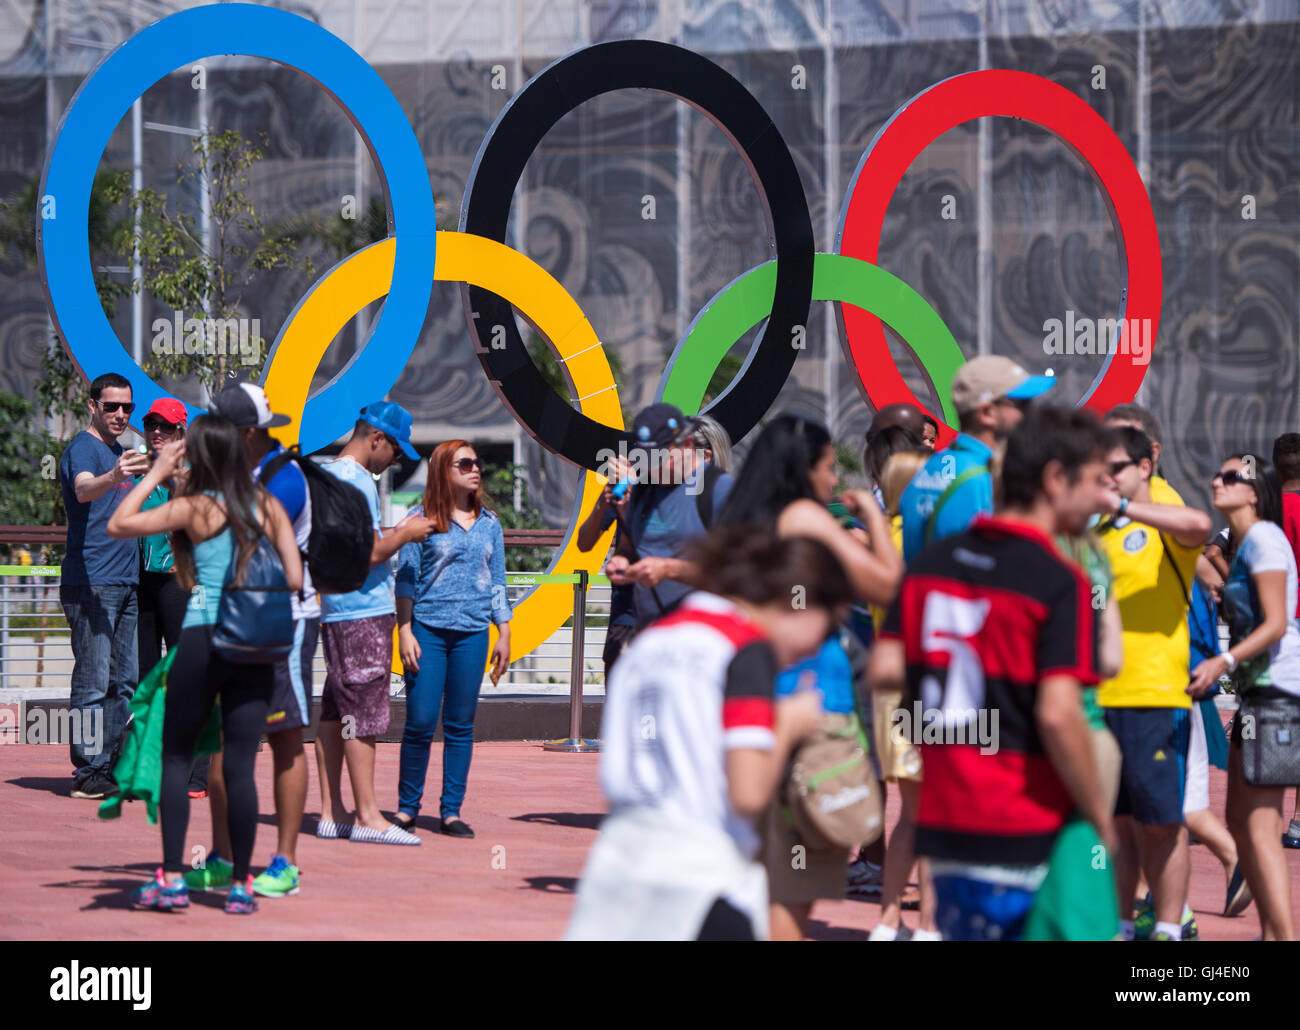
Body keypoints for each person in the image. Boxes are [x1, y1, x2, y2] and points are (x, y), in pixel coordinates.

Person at [872, 406, 1115, 940]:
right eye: (1096, 481)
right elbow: (1056, 714)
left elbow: (885, 669)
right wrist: (1099, 814)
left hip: (950, 819)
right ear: (1055, 480)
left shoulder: (933, 563)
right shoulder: (1057, 578)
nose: (1104, 497)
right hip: (1027, 821)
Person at [565, 529, 848, 940]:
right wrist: (787, 724)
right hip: (701, 882)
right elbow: (748, 792)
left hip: (617, 869)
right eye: (824, 631)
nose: (813, 652)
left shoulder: (648, 645)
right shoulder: (744, 650)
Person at [106, 415, 303, 914]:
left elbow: (119, 523)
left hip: (202, 637)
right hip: (255, 644)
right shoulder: (269, 506)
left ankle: (172, 877)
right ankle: (240, 887)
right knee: (240, 765)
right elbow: (296, 578)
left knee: (177, 757)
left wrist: (154, 474)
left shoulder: (196, 507)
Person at [716, 414, 902, 940]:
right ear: (803, 470)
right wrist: (874, 517)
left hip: (748, 700)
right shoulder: (803, 515)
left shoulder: (741, 523)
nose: (830, 480)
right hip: (808, 704)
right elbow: (888, 585)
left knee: (760, 863)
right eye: (825, 468)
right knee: (795, 879)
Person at [183, 383, 321, 898]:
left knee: (284, 739)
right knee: (224, 744)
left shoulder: (283, 479)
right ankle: (222, 857)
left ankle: (285, 863)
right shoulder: (228, 477)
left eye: (215, 427)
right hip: (232, 625)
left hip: (282, 626)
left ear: (242, 434)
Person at [1096, 426, 1213, 940]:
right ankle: (1121, 925)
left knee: (1162, 822)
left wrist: (1122, 507)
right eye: (1100, 469)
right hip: (1100, 698)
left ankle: (1170, 928)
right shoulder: (1095, 528)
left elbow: (1200, 525)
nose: (1107, 477)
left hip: (1154, 693)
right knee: (1116, 826)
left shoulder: (1162, 515)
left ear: (1145, 466)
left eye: (1116, 467)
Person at [1187, 454, 1300, 940]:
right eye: (1218, 474)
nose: (1218, 481)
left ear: (1255, 492)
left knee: (1258, 824)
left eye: (1232, 477)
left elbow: (1277, 622)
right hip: (1257, 693)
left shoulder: (1267, 540)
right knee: (1237, 818)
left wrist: (1222, 661)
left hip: (1276, 691)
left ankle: (1281, 935)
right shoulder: (1240, 543)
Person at [314, 402, 434, 845]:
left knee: (336, 709)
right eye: (396, 451)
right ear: (376, 439)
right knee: (363, 712)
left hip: (340, 610)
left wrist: (394, 531)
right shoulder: (354, 480)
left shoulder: (333, 475)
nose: (397, 462)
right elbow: (360, 553)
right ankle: (367, 814)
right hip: (360, 610)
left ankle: (333, 810)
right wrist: (404, 534)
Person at [393, 440, 511, 838]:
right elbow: (406, 578)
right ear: (444, 470)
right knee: (421, 721)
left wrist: (504, 631)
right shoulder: (419, 519)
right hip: (427, 630)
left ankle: (450, 811)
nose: (475, 469)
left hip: (473, 634)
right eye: (465, 463)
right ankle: (408, 809)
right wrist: (405, 629)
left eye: (478, 462)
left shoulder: (490, 523)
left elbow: (497, 582)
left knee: (460, 725)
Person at [59, 372, 149, 800]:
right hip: (91, 583)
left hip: (126, 582)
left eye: (126, 408)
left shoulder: (123, 452)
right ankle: (87, 771)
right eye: (111, 406)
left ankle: (110, 767)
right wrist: (112, 475)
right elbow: (82, 490)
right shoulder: (84, 449)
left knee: (124, 683)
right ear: (92, 405)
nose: (119, 414)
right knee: (92, 683)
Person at [900, 355, 1054, 561]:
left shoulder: (930, 467)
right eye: (1022, 404)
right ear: (986, 413)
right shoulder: (985, 477)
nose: (1031, 413)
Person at [598, 403, 734, 629]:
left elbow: (736, 570)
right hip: (649, 632)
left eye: (662, 456)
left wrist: (668, 569)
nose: (653, 465)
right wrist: (623, 560)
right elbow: (630, 546)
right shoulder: (647, 491)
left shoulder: (720, 492)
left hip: (706, 634)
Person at [133, 399, 204, 797]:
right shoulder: (138, 468)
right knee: (145, 676)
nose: (155, 431)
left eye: (164, 426)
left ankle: (196, 771)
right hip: (142, 583)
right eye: (150, 425)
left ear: (181, 432)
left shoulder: (197, 473)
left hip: (183, 585)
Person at [1272, 433, 1300, 849]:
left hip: (1277, 627)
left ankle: (1260, 820)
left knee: (1276, 726)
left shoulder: (1265, 511)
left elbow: (1217, 551)